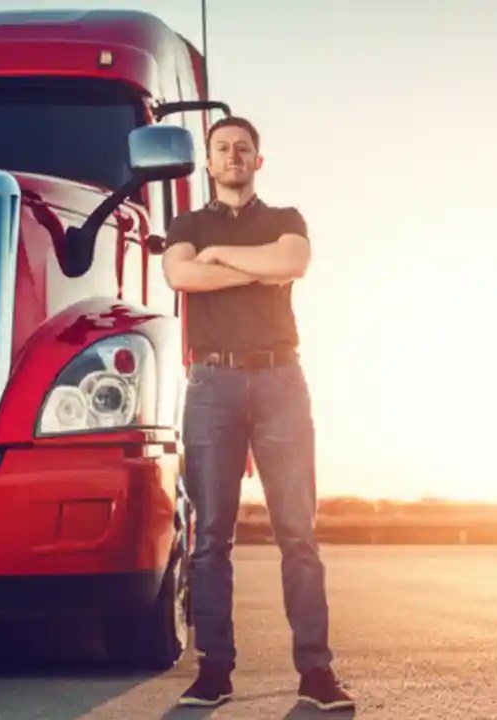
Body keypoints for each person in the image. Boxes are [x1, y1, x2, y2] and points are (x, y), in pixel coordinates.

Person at [162, 116, 354, 712]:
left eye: (244, 148)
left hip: (280, 381)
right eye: (222, 148)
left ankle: (316, 674)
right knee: (210, 537)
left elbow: (293, 262)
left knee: (298, 533)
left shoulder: (285, 219)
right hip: (211, 382)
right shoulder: (187, 225)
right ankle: (213, 670)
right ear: (210, 163)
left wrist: (221, 260)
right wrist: (252, 265)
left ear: (257, 161)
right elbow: (179, 274)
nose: (233, 155)